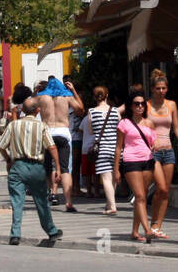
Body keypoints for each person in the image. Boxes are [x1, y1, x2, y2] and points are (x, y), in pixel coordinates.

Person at [0, 97, 65, 246]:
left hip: (18, 166)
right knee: (41, 201)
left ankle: (15, 234)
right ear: (37, 110)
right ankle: (51, 231)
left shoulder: (13, 125)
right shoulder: (42, 126)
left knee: (17, 201)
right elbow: (51, 147)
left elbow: (1, 145)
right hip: (36, 167)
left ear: (23, 110)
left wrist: (8, 159)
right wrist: (58, 168)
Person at [115, 86, 159, 242]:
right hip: (131, 160)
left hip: (147, 160)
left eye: (142, 104)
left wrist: (156, 145)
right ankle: (147, 230)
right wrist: (116, 170)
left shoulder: (149, 123)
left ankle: (135, 231)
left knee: (142, 198)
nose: (140, 106)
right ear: (130, 106)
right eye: (136, 104)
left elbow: (154, 142)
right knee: (139, 196)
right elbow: (118, 147)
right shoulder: (124, 123)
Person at [38, 76, 82, 211]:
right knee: (65, 169)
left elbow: (28, 106)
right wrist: (73, 90)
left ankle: (51, 194)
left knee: (48, 167)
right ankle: (68, 201)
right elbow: (80, 110)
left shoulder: (42, 97)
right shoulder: (66, 96)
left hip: (47, 133)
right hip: (63, 133)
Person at [145, 70, 178, 238]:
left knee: (165, 191)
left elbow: (177, 127)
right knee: (161, 187)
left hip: (169, 150)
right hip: (154, 152)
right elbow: (142, 128)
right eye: (158, 88)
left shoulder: (171, 105)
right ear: (152, 89)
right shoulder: (146, 106)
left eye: (163, 88)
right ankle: (150, 222)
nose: (161, 91)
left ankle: (157, 225)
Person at [84, 86, 120, 214]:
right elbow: (120, 128)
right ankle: (110, 203)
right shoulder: (115, 111)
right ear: (107, 95)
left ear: (94, 97)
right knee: (113, 177)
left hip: (102, 148)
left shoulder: (92, 112)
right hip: (115, 148)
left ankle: (112, 206)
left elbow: (90, 130)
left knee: (105, 178)